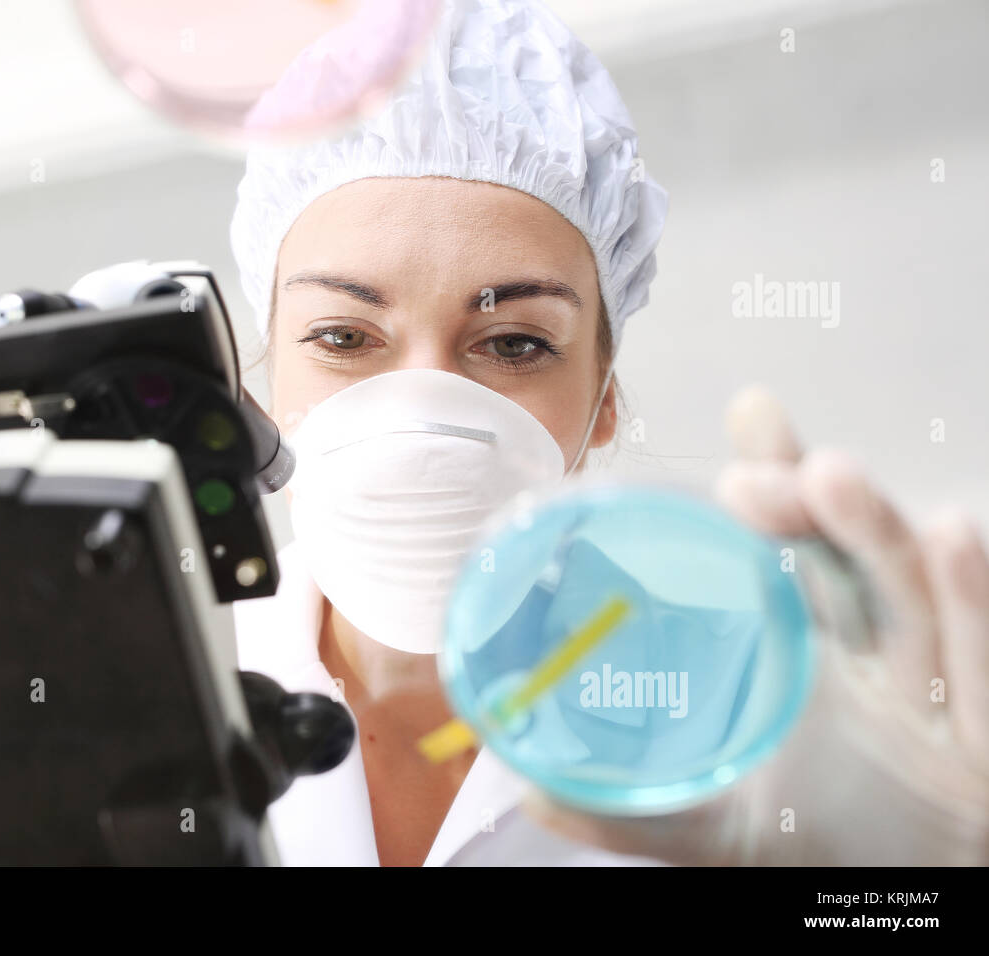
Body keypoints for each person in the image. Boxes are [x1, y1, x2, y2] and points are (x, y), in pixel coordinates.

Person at [229, 0, 989, 866]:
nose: (420, 412)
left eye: (514, 343)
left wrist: (911, 891)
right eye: (344, 338)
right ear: (262, 382)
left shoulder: (754, 711)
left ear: (605, 404)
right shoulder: (141, 681)